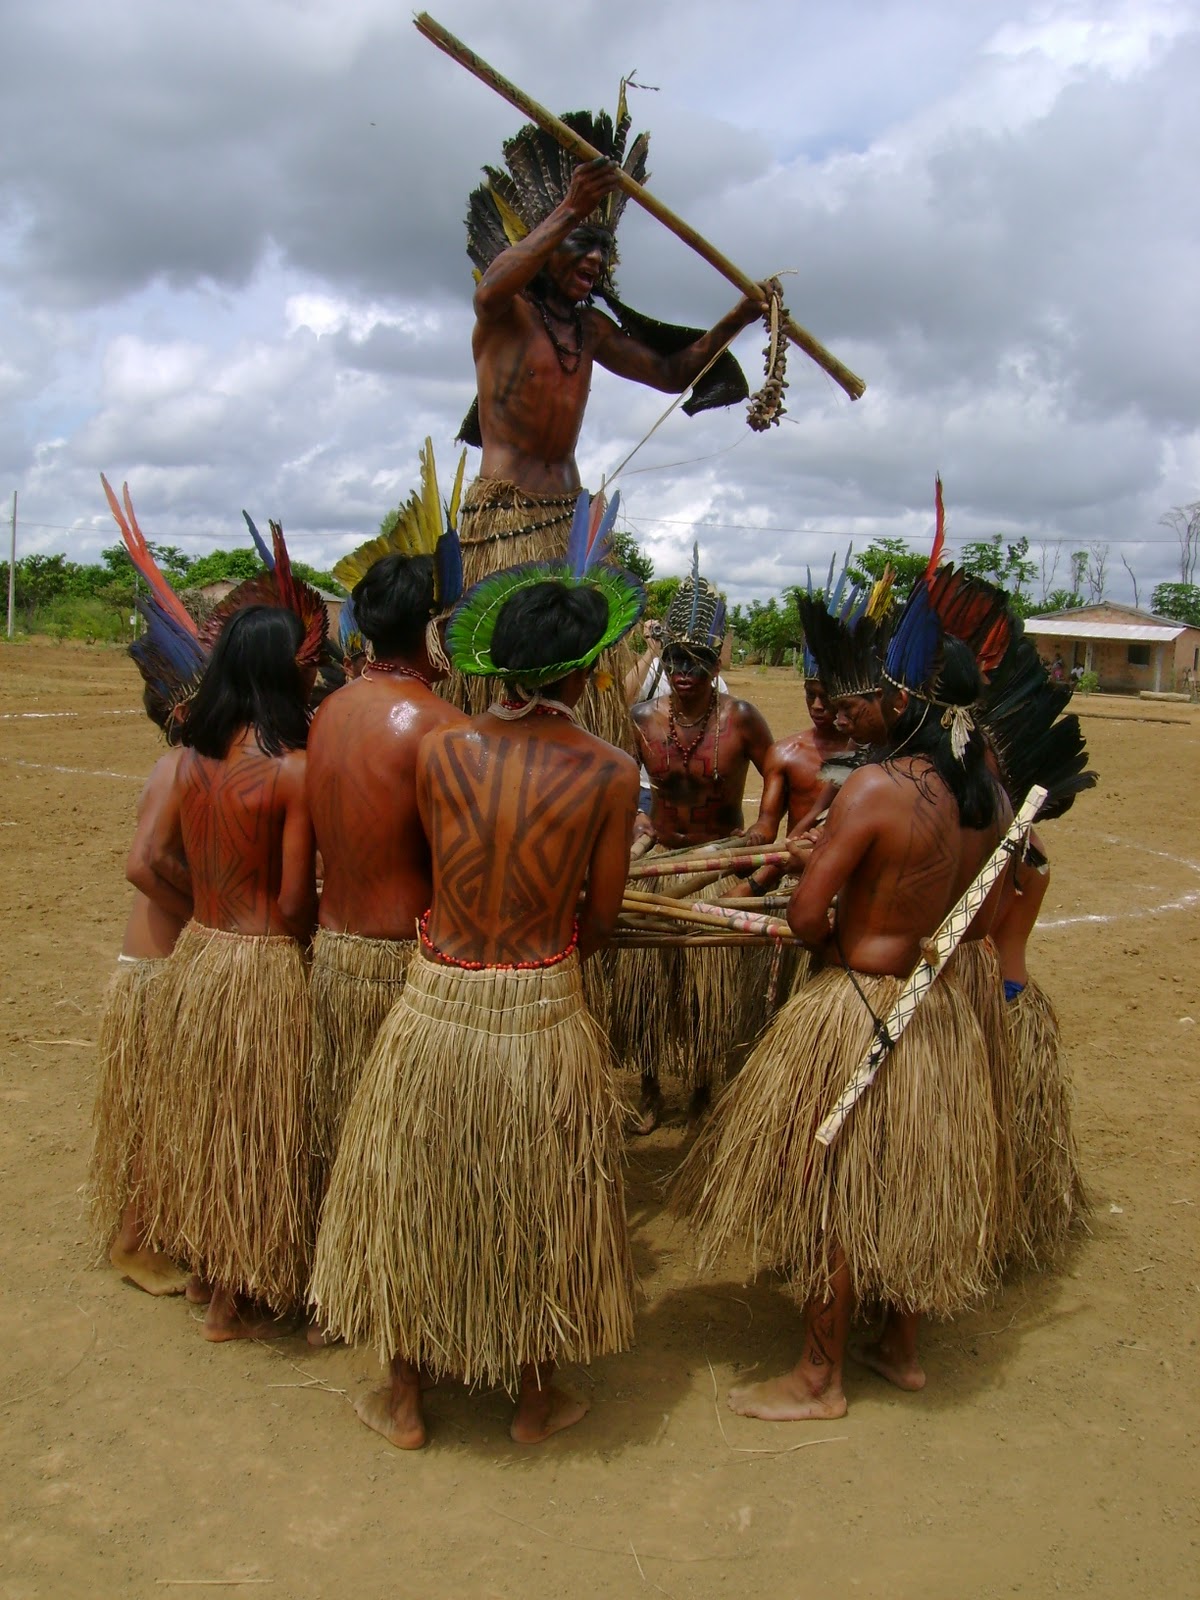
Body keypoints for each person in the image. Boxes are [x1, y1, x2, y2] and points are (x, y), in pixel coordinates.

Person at [310, 512, 642, 1448]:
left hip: (437, 1006)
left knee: (416, 1193)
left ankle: (405, 1398)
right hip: (539, 1013)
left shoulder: (440, 751)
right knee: (545, 1201)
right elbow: (605, 921)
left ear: (492, 665)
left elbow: (441, 861)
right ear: (582, 670)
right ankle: (537, 1400)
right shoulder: (612, 773)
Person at [674, 590, 1007, 1421]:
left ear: (906, 702)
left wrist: (835, 930)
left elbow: (805, 914)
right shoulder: (991, 800)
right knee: (907, 1175)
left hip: (859, 1008)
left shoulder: (876, 791)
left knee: (837, 1186)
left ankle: (819, 1378)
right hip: (938, 1015)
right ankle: (900, 1347)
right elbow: (983, 923)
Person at [454, 106, 772, 741]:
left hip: (566, 521)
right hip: (505, 521)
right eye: (580, 251)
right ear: (547, 249)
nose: (593, 264)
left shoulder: (588, 329)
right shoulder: (506, 314)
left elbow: (669, 370)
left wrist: (736, 319)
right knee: (500, 668)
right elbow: (490, 285)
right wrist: (572, 208)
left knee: (581, 672)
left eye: (602, 257)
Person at [132, 603, 322, 1342]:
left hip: (201, 958)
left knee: (213, 1126)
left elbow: (151, 863)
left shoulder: (189, 760)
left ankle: (208, 1273)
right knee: (258, 1131)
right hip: (262, 966)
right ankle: (229, 1300)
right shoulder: (291, 771)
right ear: (281, 673)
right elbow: (290, 901)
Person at [306, 549, 467, 1185]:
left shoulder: (327, 713)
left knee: (338, 1144)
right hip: (404, 971)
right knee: (397, 1168)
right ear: (430, 630)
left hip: (334, 959)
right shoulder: (443, 727)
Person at [610, 561, 774, 1131]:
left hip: (719, 859)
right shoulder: (640, 720)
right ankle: (651, 1088)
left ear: (715, 664)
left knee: (709, 990)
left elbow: (776, 771)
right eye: (675, 660)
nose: (685, 673)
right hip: (658, 862)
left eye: (698, 662)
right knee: (649, 985)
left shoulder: (741, 719)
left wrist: (764, 828)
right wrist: (637, 822)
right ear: (664, 660)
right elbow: (620, 780)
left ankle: (704, 1090)